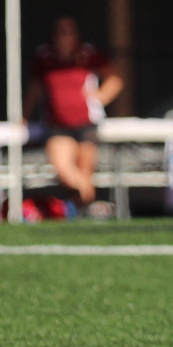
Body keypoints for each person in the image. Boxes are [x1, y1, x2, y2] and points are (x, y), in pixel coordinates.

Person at [29, 16, 123, 215]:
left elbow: (115, 79)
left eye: (68, 32)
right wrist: (24, 114)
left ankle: (80, 212)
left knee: (85, 167)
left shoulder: (87, 54)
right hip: (57, 123)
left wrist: (100, 97)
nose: (64, 37)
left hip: (86, 121)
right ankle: (90, 204)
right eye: (60, 32)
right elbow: (34, 88)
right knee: (63, 168)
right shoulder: (44, 57)